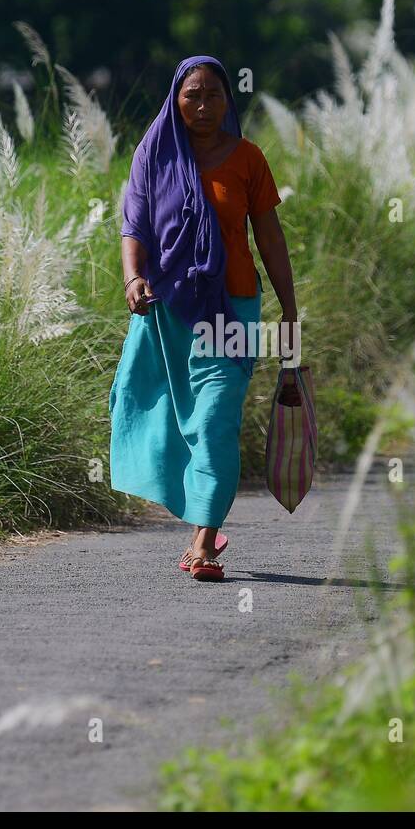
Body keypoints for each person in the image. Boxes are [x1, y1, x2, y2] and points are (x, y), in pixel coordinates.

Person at [110, 55, 299, 581]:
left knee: (215, 422)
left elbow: (270, 238)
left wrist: (288, 306)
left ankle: (202, 544)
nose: (202, 105)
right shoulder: (155, 155)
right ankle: (204, 519)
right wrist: (133, 278)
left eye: (214, 95)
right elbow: (135, 226)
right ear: (176, 99)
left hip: (231, 309)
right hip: (168, 310)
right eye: (192, 95)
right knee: (167, 420)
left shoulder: (248, 159)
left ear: (228, 101)